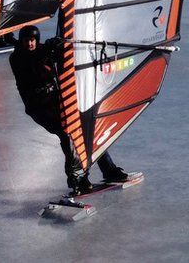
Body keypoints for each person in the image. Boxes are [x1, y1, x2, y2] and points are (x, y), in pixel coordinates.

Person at [9, 25, 130, 195]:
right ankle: (77, 178)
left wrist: (60, 47)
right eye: (26, 40)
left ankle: (108, 169)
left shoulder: (42, 50)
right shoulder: (17, 58)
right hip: (38, 107)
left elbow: (59, 59)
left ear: (37, 40)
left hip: (56, 100)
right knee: (66, 133)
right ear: (21, 41)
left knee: (86, 128)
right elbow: (33, 64)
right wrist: (49, 50)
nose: (30, 43)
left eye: (32, 40)